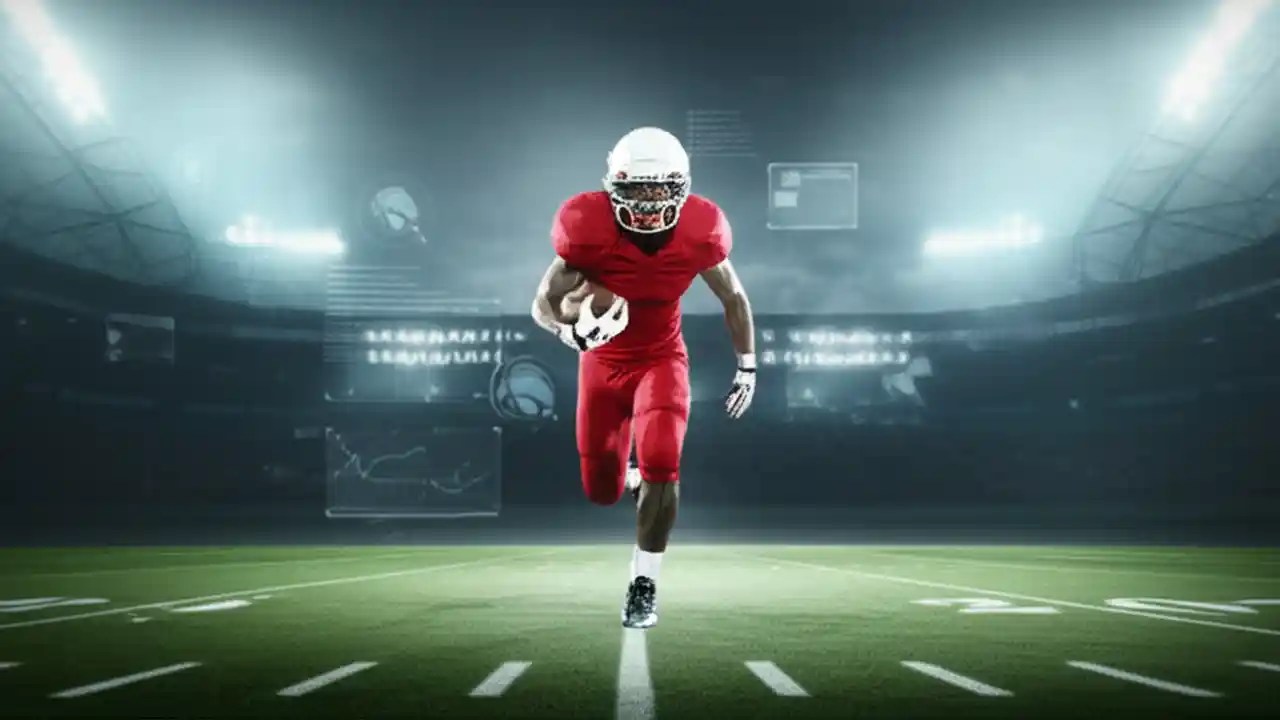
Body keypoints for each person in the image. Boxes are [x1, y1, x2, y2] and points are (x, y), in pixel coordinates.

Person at [530, 126, 757, 629]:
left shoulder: (700, 231)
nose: (649, 203)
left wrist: (748, 365)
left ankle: (644, 583)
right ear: (612, 188)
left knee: (663, 463)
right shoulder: (587, 230)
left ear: (682, 188)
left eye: (660, 189)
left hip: (662, 359)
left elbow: (734, 297)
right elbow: (543, 300)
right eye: (636, 189)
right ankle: (630, 479)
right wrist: (568, 332)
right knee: (601, 489)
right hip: (601, 364)